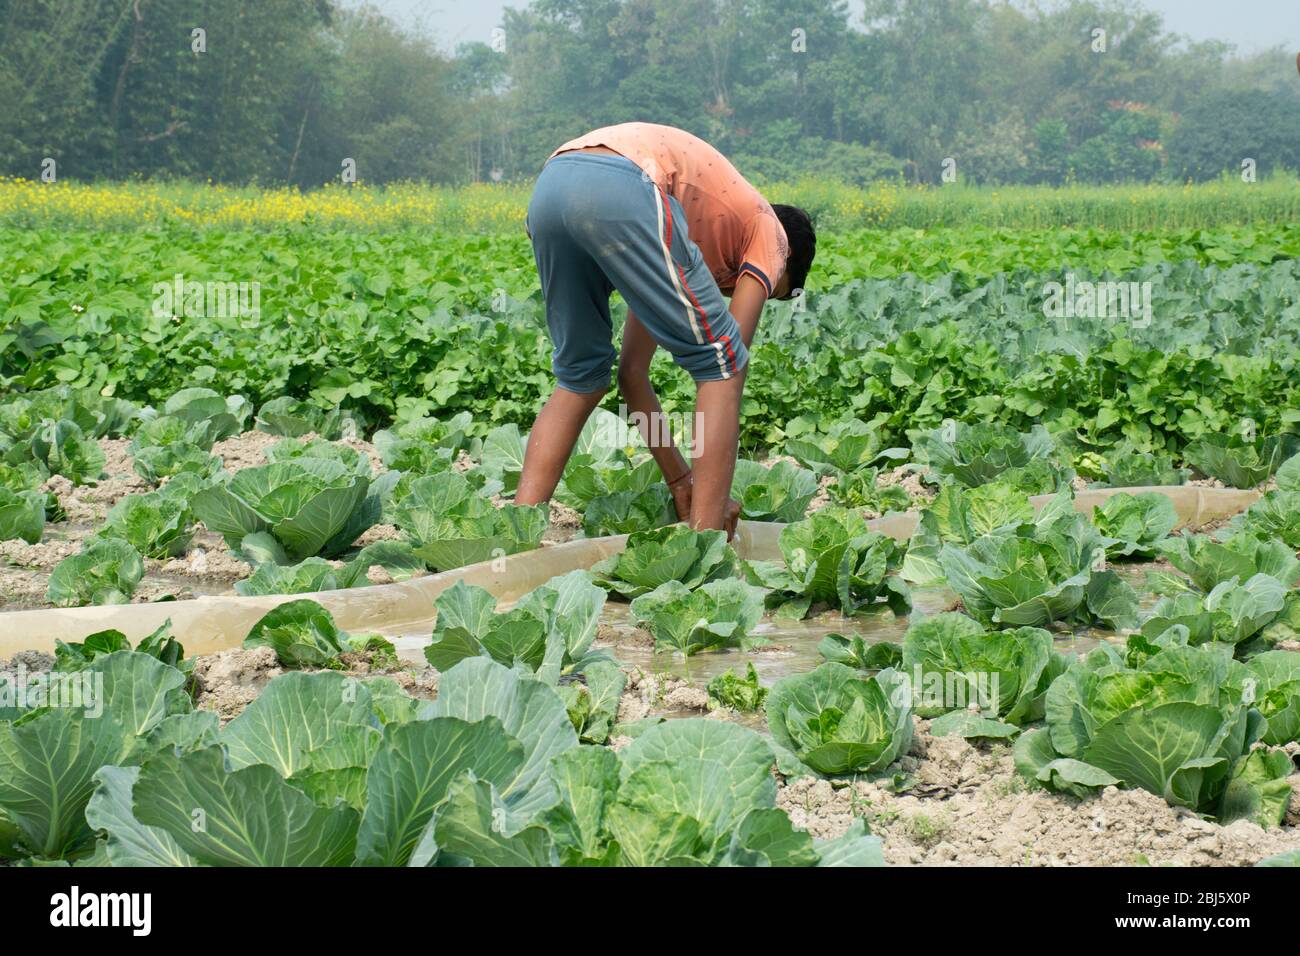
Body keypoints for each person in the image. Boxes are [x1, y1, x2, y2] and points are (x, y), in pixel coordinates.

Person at [514, 122, 816, 538]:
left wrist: (680, 479)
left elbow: (631, 375)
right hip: (624, 185)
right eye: (774, 289)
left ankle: (516, 534)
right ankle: (706, 544)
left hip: (554, 184)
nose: (736, 290)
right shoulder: (771, 232)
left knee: (582, 376)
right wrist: (715, 500)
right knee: (723, 361)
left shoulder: (680, 238)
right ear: (787, 264)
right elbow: (726, 366)